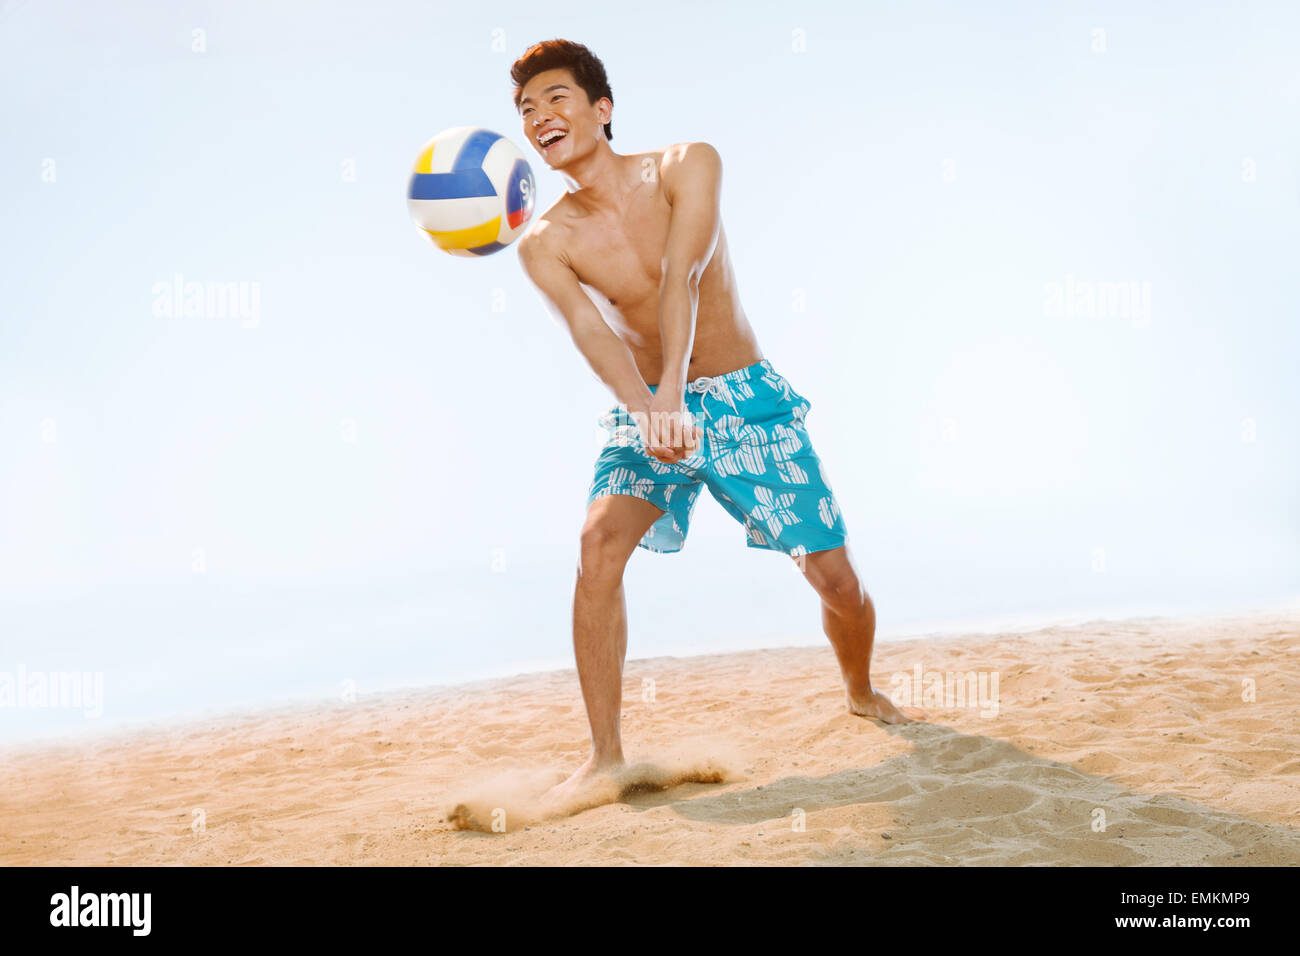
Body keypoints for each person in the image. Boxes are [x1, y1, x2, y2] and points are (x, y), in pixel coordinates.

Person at [511, 38, 917, 809]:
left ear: (601, 109)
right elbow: (593, 334)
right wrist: (648, 408)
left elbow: (683, 274)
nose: (540, 117)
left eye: (556, 98)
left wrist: (674, 394)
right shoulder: (544, 243)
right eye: (527, 109)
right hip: (644, 406)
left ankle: (861, 689)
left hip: (743, 397)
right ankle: (606, 757)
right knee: (598, 542)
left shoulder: (686, 164)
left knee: (835, 579)